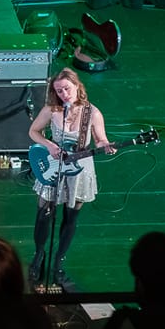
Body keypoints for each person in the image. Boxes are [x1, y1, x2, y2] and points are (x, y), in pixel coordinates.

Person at [27, 67, 115, 287]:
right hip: (54, 166)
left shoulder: (92, 113)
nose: (64, 94)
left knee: (70, 217)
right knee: (43, 214)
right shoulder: (51, 110)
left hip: (79, 169)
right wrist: (49, 145)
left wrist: (106, 145)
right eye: (59, 91)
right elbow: (34, 131)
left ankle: (58, 263)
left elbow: (100, 139)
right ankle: (39, 255)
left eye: (67, 89)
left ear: (77, 87)